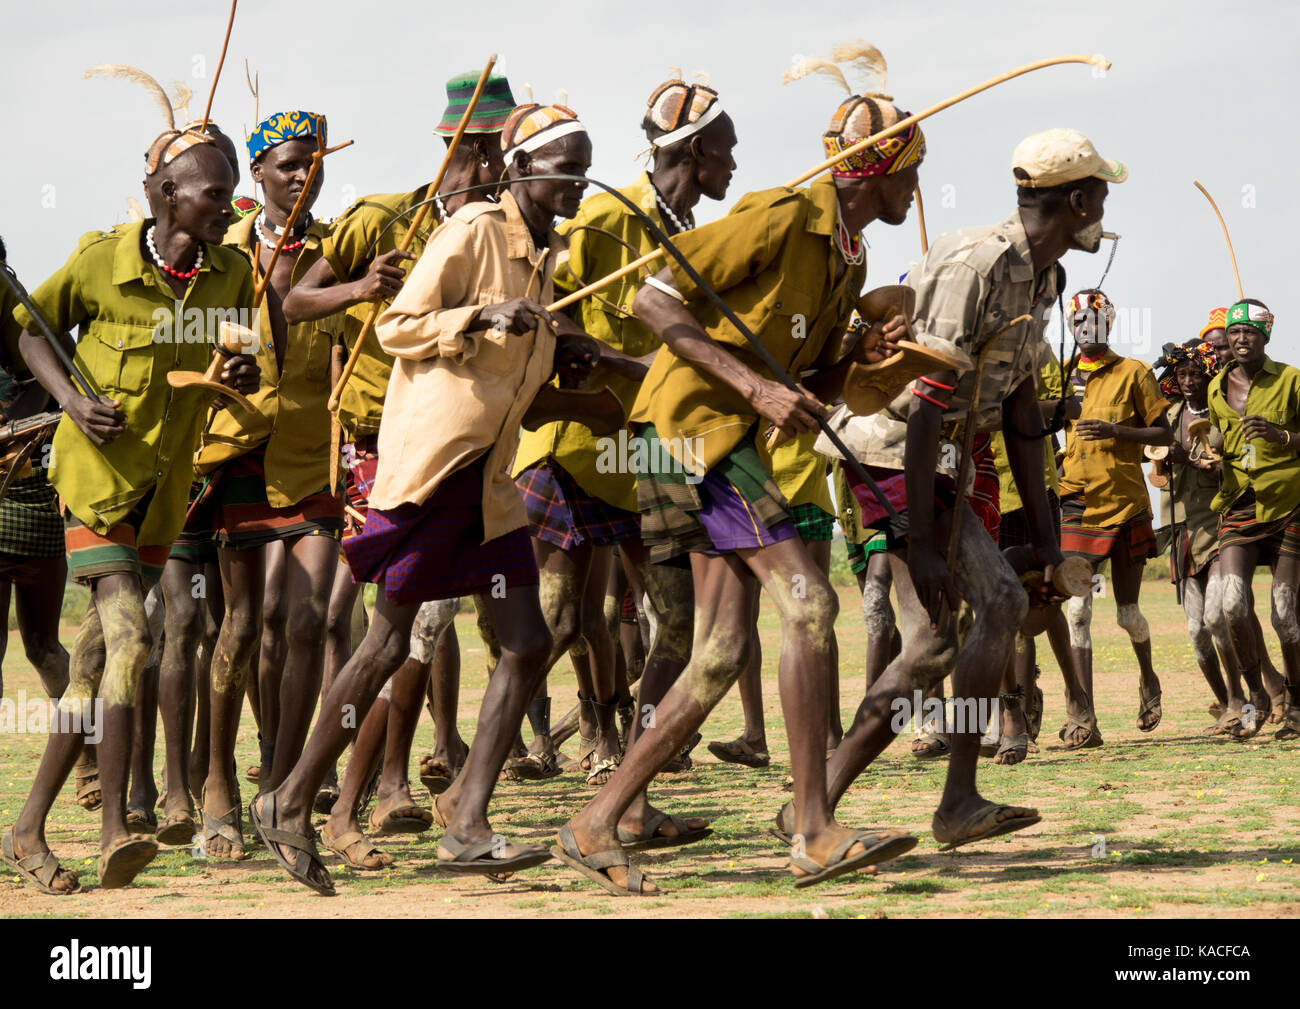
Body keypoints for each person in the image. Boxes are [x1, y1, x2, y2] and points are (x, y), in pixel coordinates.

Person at [557, 52, 925, 894]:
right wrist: (755, 384)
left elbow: (811, 389)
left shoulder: (851, 256)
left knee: (720, 651)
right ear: (877, 169)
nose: (917, 185)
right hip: (690, 433)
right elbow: (653, 299)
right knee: (812, 601)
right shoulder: (781, 213)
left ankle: (593, 823)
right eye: (912, 169)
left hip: (730, 439)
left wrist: (861, 360)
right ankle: (814, 827)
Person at [252, 98, 605, 894]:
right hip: (437, 471)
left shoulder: (548, 254)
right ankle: (288, 799)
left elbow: (519, 363)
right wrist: (482, 312)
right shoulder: (475, 229)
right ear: (522, 168)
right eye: (567, 165)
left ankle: (468, 820)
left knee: (524, 641)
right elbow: (399, 324)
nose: (580, 180)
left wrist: (565, 357)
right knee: (384, 643)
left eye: (586, 163)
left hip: (489, 482)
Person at [814, 128, 1125, 854]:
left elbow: (1019, 414)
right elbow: (924, 403)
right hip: (893, 451)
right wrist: (922, 545)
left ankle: (884, 799)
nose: (1105, 208)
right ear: (1077, 199)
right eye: (1100, 194)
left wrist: (1050, 548)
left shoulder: (1043, 278)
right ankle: (888, 801)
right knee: (959, 622)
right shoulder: (976, 262)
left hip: (942, 459)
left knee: (940, 641)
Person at [1, 125, 257, 893]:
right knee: (129, 635)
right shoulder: (100, 261)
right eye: (215, 193)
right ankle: (117, 828)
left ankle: (24, 831)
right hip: (95, 478)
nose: (228, 204)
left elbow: (241, 354)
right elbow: (26, 329)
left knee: (90, 667)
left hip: (163, 492)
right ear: (166, 194)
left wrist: (237, 369)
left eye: (229, 192)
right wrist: (73, 401)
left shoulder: (231, 273)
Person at [283, 71, 516, 813]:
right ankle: (327, 790)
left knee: (430, 618)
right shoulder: (385, 218)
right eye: (504, 157)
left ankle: (387, 782)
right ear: (473, 153)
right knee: (387, 623)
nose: (510, 174)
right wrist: (359, 290)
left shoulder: (504, 234)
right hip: (376, 445)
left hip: (459, 447)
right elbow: (292, 300)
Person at [509, 71, 737, 801]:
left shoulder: (693, 236)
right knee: (551, 620)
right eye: (726, 150)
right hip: (577, 440)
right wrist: (608, 360)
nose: (734, 164)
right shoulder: (610, 217)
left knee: (675, 619)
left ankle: (634, 761)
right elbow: (551, 301)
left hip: (648, 443)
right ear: (695, 151)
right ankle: (463, 770)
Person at [1057, 289, 1172, 743]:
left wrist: (1116, 431)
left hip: (1125, 502)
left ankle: (1148, 678)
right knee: (1077, 611)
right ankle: (1082, 716)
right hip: (1076, 502)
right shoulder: (1061, 377)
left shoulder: (1134, 372)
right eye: (1079, 321)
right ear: (1070, 326)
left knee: (1127, 614)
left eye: (1096, 321)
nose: (1087, 329)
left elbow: (1163, 432)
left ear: (1109, 325)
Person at [1208, 299, 1300, 740]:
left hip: (1288, 502)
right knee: (1231, 603)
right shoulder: (1216, 387)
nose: (1241, 338)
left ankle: (1297, 704)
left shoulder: (1290, 380)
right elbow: (1220, 441)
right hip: (1239, 505)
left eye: (1250, 331)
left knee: (1284, 612)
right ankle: (1256, 696)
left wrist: (1282, 435)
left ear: (1266, 336)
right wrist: (1207, 456)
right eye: (1235, 331)